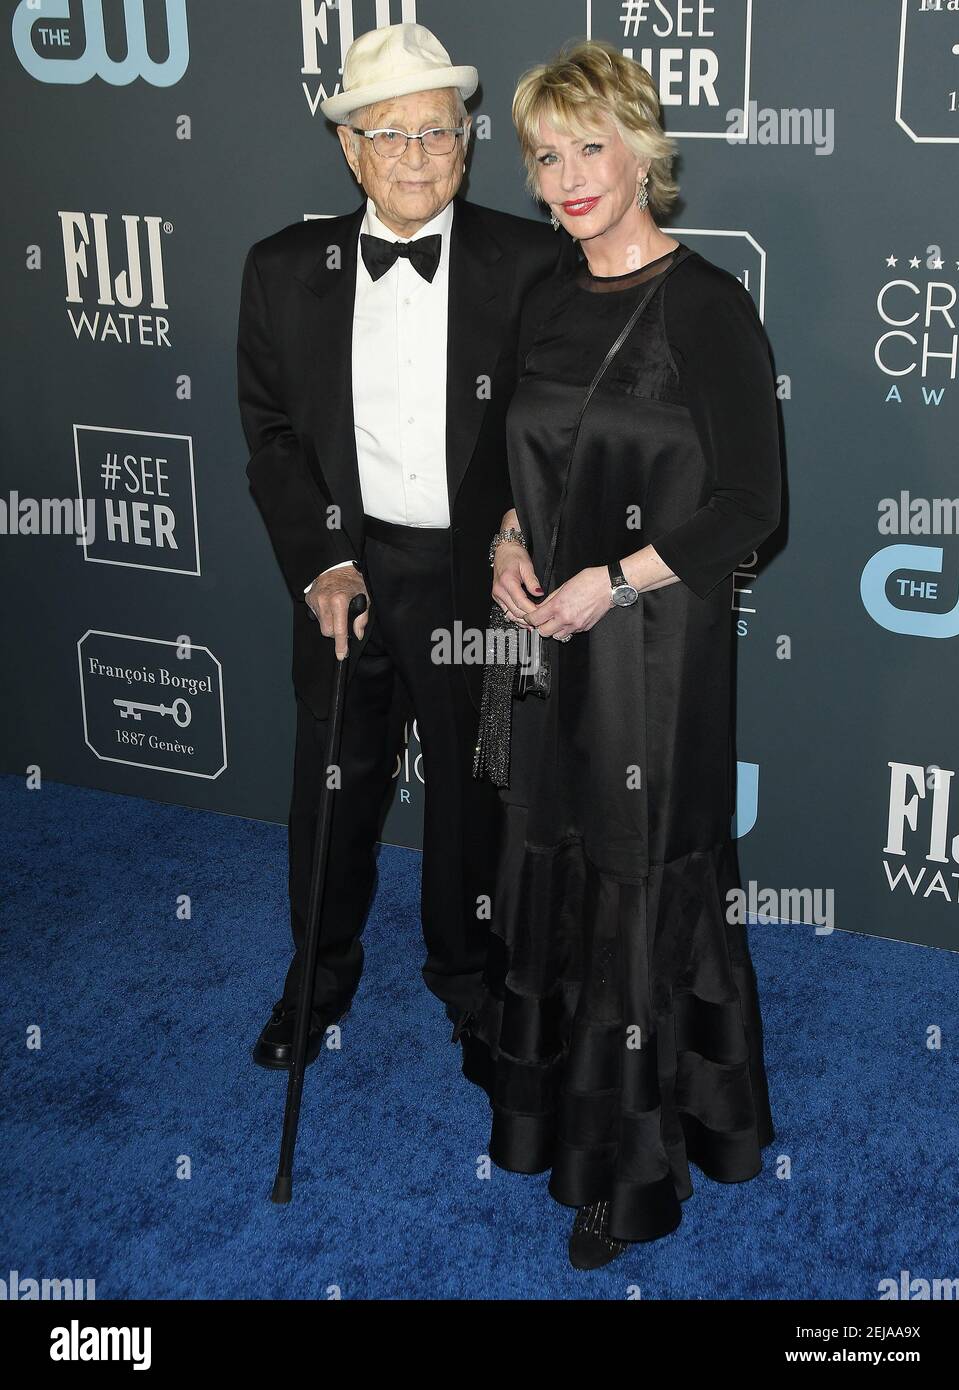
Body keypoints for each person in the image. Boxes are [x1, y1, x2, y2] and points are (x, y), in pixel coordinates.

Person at [463, 38, 783, 1270]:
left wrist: (615, 579)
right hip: (548, 634)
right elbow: (518, 459)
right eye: (545, 155)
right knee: (553, 856)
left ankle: (633, 1168)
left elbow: (753, 508)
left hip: (655, 643)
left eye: (589, 147)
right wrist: (504, 542)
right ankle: (555, 1115)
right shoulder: (546, 293)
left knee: (637, 873)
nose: (566, 177)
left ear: (646, 151)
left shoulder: (706, 306)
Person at [236, 23, 573, 1072]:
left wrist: (518, 525)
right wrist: (320, 562)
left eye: (439, 131)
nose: (419, 155)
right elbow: (272, 434)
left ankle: (472, 985)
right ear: (349, 148)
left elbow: (557, 426)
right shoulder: (283, 270)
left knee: (474, 799)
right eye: (392, 134)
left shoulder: (530, 265)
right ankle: (318, 974)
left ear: (467, 143)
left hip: (473, 573)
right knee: (331, 781)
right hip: (348, 566)